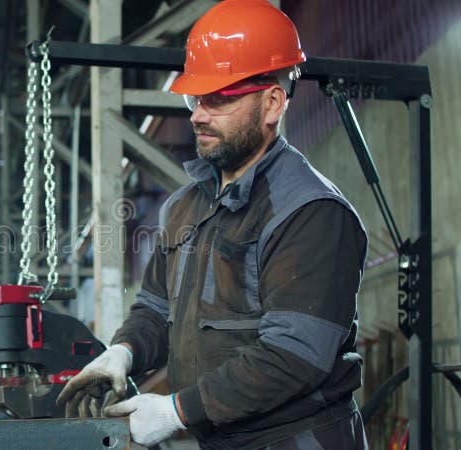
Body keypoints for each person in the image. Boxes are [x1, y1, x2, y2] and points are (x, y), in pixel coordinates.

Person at [57, 0, 369, 448]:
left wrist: (176, 411)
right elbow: (155, 310)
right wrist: (122, 351)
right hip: (221, 439)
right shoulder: (183, 207)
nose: (198, 115)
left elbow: (292, 356)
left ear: (272, 103)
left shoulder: (311, 212)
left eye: (220, 99)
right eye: (195, 98)